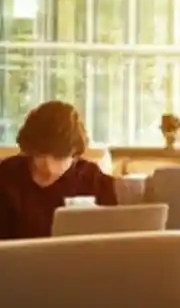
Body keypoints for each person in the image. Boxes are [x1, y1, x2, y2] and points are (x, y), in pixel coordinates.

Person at [0, 101, 117, 240]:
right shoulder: (6, 176)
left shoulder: (93, 180)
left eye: (59, 157)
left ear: (74, 153)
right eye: (40, 155)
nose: (49, 166)